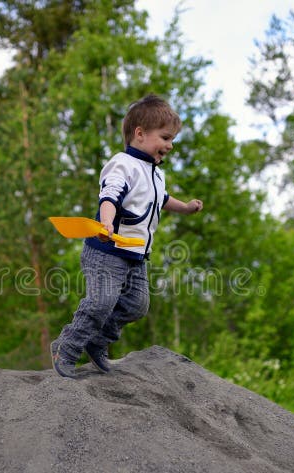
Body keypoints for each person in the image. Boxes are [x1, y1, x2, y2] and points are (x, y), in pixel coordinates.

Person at [50, 94, 203, 378]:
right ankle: (66, 347)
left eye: (172, 140)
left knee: (137, 305)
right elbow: (110, 196)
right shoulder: (123, 165)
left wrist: (185, 208)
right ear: (140, 134)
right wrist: (106, 223)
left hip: (135, 255)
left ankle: (98, 342)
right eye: (165, 137)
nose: (170, 145)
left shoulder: (156, 174)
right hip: (107, 250)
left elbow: (162, 198)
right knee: (101, 301)